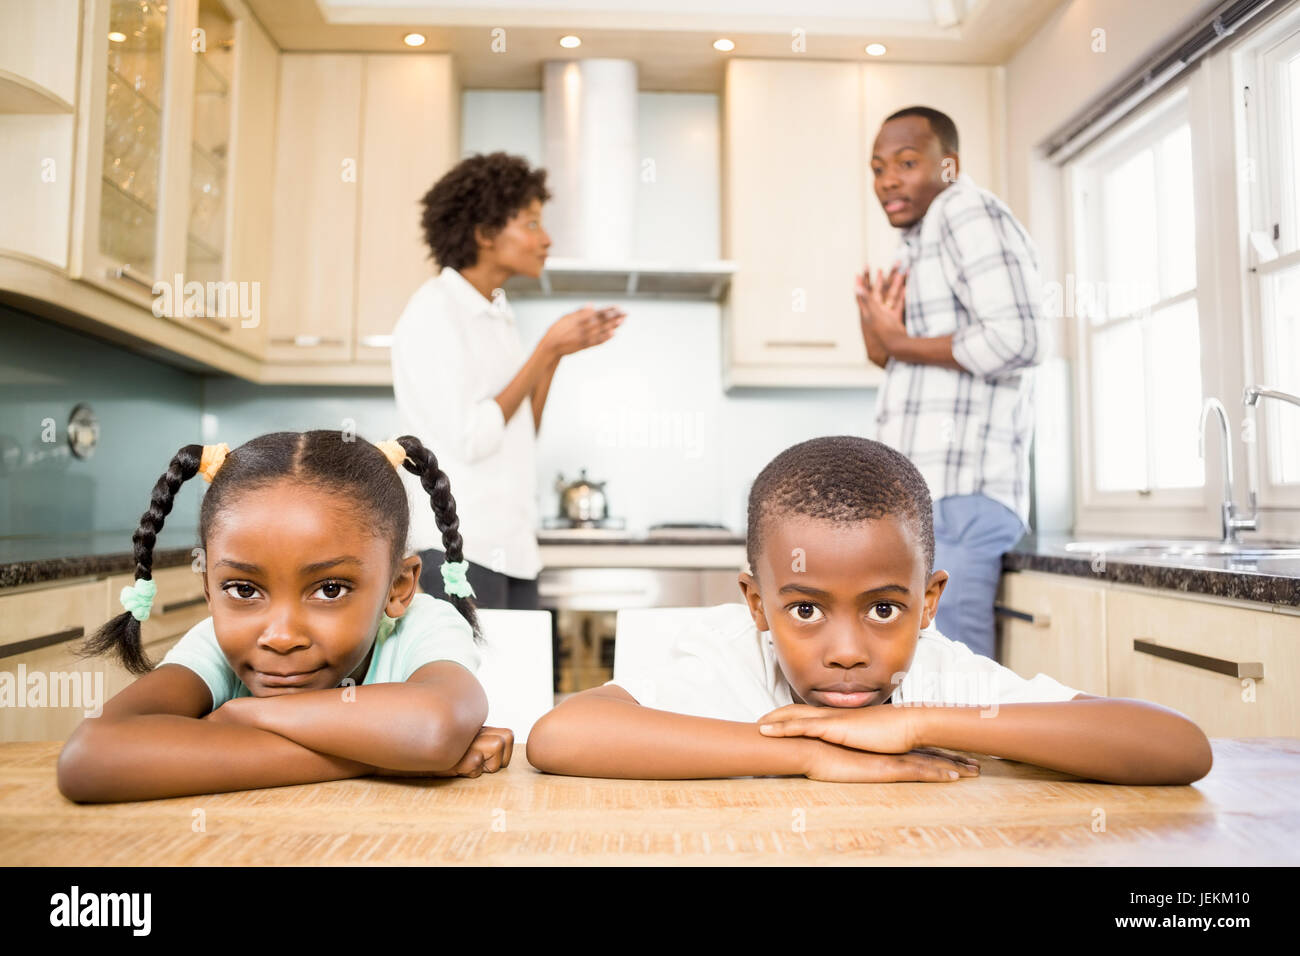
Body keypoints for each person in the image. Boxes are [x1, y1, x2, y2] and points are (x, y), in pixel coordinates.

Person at [525, 436, 1213, 785]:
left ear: (929, 604)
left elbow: (1179, 747)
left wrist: (915, 723)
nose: (848, 650)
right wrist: (813, 758)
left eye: (884, 609)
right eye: (805, 611)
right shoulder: (730, 661)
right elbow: (561, 736)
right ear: (757, 605)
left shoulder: (939, 678)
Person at [57, 431, 513, 803]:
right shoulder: (213, 644)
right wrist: (384, 757)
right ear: (209, 591)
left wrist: (242, 716)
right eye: (243, 589)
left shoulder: (423, 626)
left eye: (330, 590)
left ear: (398, 588)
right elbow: (89, 758)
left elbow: (433, 726)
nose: (280, 635)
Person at [392, 151, 625, 611]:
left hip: (513, 548)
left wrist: (553, 356)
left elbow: (520, 431)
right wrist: (544, 350)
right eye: (532, 224)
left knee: (519, 684)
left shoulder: (498, 313)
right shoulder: (435, 312)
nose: (547, 239)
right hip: (458, 549)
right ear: (483, 233)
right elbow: (472, 438)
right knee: (473, 685)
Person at [856, 106, 1048, 660]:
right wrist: (882, 338)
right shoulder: (918, 241)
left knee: (954, 673)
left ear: (948, 167)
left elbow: (1018, 340)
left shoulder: (965, 211)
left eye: (907, 162)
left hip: (961, 495)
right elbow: (913, 362)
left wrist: (899, 343)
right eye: (877, 168)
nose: (888, 179)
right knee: (927, 671)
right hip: (931, 497)